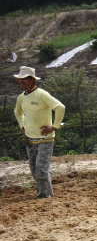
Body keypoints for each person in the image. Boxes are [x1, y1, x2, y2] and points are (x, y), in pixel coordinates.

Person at [13, 66, 65, 199]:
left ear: (32, 80)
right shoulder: (21, 98)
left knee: (41, 169)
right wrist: (22, 125)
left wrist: (54, 127)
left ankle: (44, 195)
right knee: (34, 169)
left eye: (23, 79)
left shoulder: (41, 94)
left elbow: (60, 107)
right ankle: (47, 193)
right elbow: (17, 112)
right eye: (20, 79)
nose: (21, 82)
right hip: (29, 138)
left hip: (45, 138)